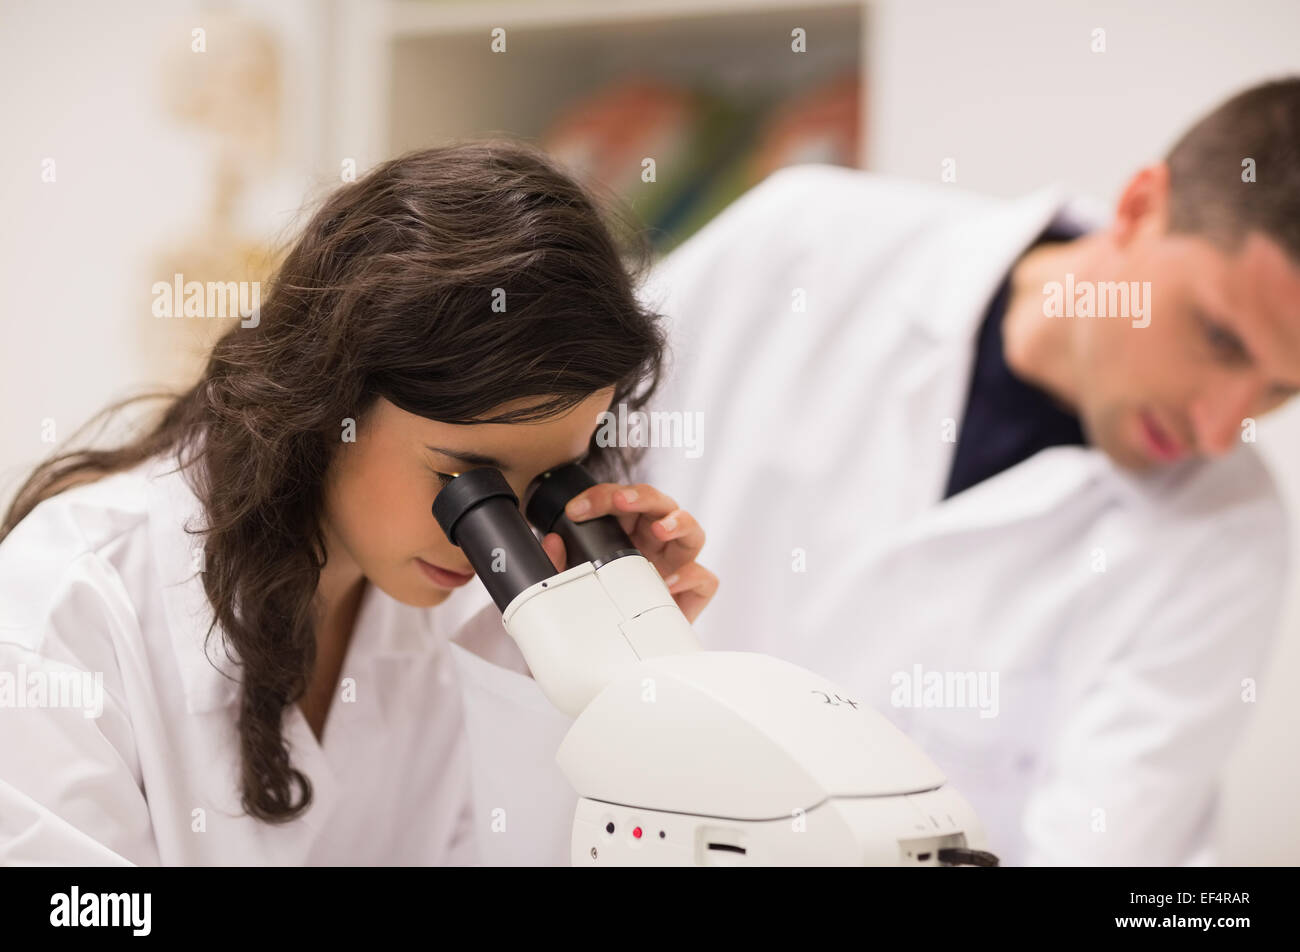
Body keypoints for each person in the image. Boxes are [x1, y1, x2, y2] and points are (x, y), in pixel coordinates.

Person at [636, 77, 1300, 865]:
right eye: (1220, 339)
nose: (1222, 427)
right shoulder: (800, 246)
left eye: (1280, 386)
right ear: (1139, 207)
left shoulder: (1225, 530)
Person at [0, 141, 717, 865]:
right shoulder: (63, 614)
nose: (491, 540)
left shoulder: (457, 623)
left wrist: (594, 669)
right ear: (333, 396)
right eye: (470, 476)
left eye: (545, 484)